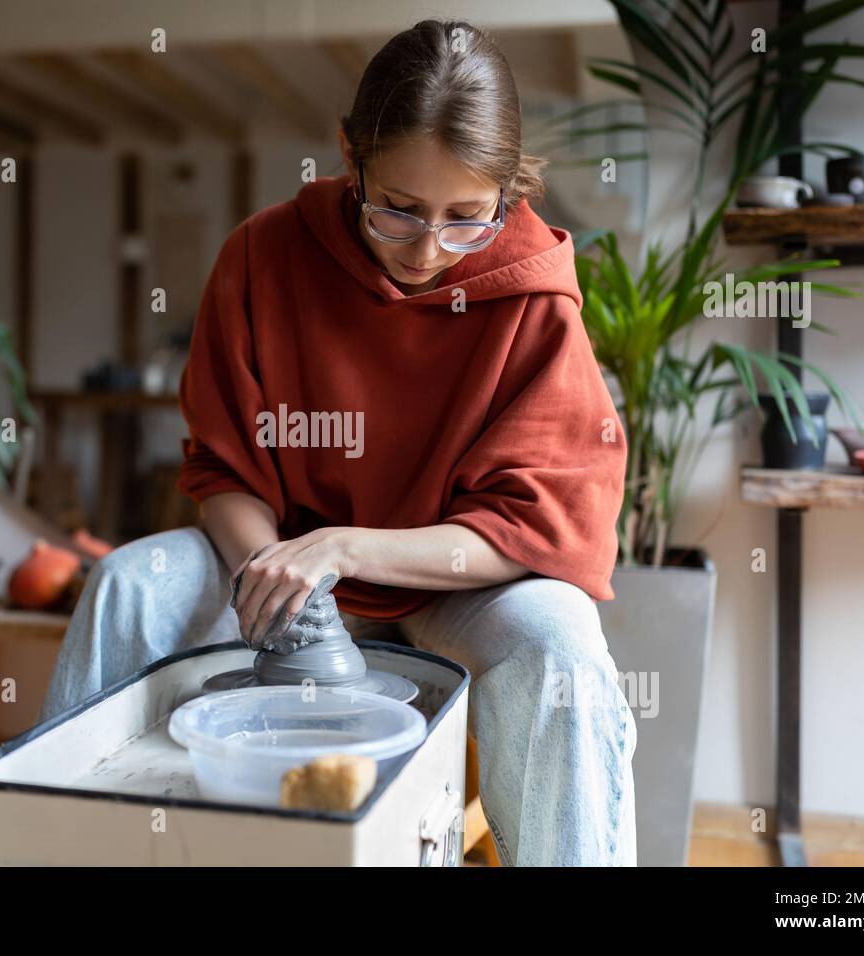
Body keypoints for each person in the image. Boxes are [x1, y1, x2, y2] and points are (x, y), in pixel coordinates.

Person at [39, 18, 637, 866]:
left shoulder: (530, 295)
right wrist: (272, 571)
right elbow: (223, 466)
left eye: (466, 216)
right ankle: (62, 850)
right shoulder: (261, 256)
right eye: (397, 209)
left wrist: (345, 549)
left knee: (559, 645)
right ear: (350, 157)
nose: (428, 251)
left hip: (448, 581)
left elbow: (537, 528)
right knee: (128, 584)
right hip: (286, 567)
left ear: (508, 191)